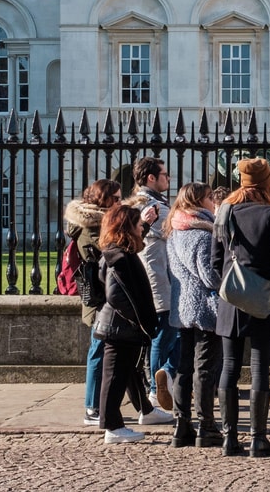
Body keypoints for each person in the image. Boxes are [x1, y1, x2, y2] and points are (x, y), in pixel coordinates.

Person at [212, 157, 270, 457]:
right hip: (262, 296)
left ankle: (229, 438)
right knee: (260, 368)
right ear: (267, 181)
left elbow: (214, 263)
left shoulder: (225, 211)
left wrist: (226, 288)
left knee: (229, 366)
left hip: (230, 298)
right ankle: (258, 438)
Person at [165, 182, 225, 448]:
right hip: (204, 307)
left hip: (183, 306)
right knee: (205, 369)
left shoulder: (175, 229)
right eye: (210, 198)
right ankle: (206, 425)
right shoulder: (201, 233)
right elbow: (209, 276)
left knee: (184, 368)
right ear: (200, 201)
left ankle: (182, 423)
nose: (213, 202)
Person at [95, 205, 161, 444]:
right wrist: (137, 319)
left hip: (121, 325)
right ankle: (111, 425)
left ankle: (144, 411)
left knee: (127, 373)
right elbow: (116, 295)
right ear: (127, 227)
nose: (140, 228)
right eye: (137, 224)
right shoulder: (118, 257)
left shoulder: (120, 251)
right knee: (114, 377)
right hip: (119, 325)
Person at [64, 179, 122, 426]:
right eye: (116, 198)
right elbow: (103, 260)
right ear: (104, 200)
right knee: (98, 351)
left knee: (105, 350)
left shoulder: (99, 224)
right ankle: (91, 407)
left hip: (104, 296)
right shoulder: (92, 228)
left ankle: (103, 404)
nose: (120, 202)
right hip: (99, 298)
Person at [131, 156, 178, 419]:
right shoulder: (152, 205)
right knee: (166, 332)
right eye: (164, 174)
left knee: (167, 333)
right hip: (158, 278)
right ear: (151, 177)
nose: (168, 178)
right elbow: (174, 231)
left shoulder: (149, 203)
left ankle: (163, 379)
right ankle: (156, 386)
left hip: (157, 276)